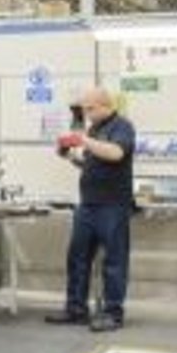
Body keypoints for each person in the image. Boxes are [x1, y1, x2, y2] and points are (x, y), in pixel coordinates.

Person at [45, 87, 136, 332]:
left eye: (90, 109)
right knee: (77, 258)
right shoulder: (95, 129)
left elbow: (116, 153)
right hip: (87, 205)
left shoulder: (122, 126)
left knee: (114, 262)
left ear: (106, 105)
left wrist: (83, 140)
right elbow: (92, 163)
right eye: (84, 109)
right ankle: (76, 309)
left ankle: (113, 314)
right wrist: (70, 157)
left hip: (113, 206)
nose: (86, 114)